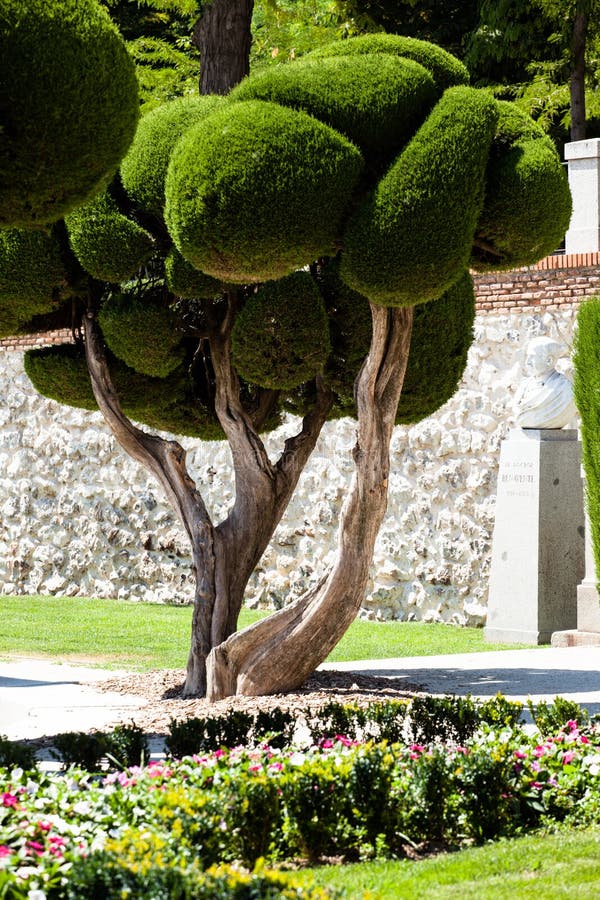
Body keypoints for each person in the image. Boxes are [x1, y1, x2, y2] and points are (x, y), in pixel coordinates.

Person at [513, 336, 577, 429]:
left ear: (549, 361)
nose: (527, 362)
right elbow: (516, 412)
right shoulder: (524, 385)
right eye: (527, 356)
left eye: (532, 357)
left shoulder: (565, 390)